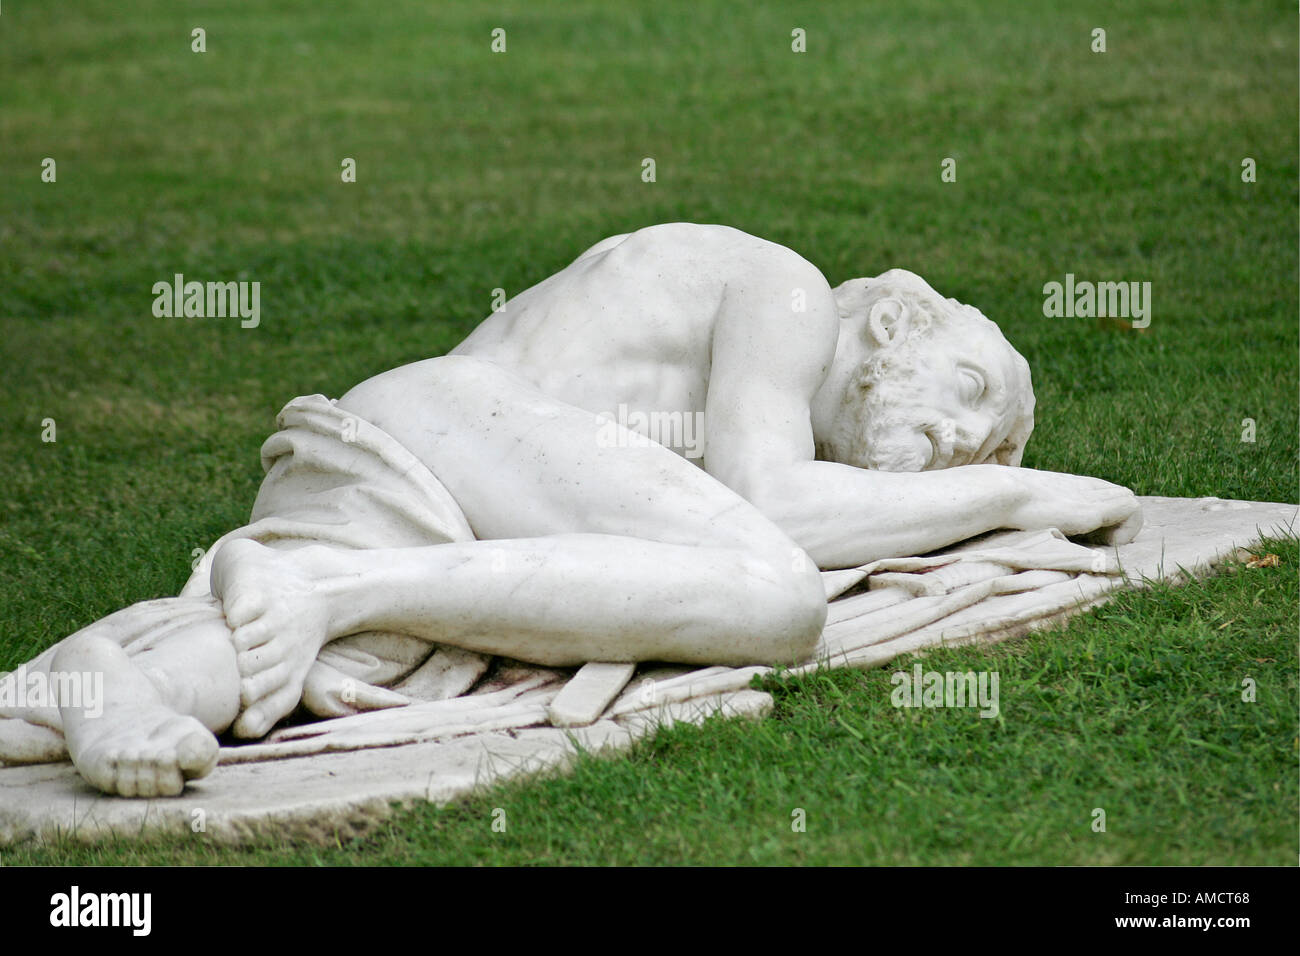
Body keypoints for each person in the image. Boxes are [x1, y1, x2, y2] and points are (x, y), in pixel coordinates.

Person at [0, 223, 1141, 797]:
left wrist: (962, 488)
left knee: (303, 655)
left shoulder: (762, 388)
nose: (962, 443)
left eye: (992, 445)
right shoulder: (792, 294)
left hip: (416, 466)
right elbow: (776, 506)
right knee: (778, 595)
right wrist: (1015, 492)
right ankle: (329, 586)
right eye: (970, 389)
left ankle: (108, 683)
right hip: (452, 424)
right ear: (901, 320)